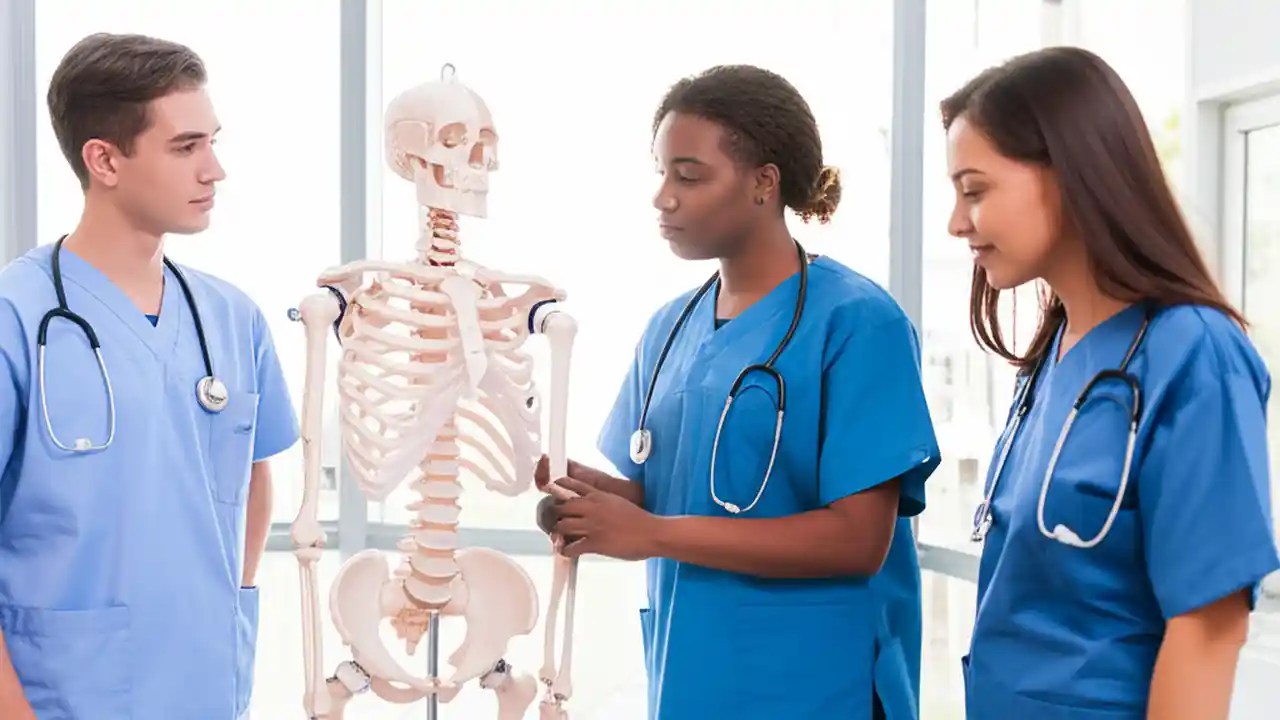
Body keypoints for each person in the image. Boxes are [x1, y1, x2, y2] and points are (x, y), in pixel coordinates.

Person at [535, 64, 941, 719]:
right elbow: (671, 497)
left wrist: (654, 532)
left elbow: (857, 540)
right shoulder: (670, 328)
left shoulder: (858, 322)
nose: (664, 197)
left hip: (816, 687)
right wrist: (593, 502)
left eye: (689, 176)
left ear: (763, 183)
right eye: (662, 173)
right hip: (693, 681)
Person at [943, 46, 1280, 719]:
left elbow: (1208, 627)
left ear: (1070, 174)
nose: (956, 223)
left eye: (975, 191)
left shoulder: (1193, 354)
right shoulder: (1048, 362)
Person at [0, 33, 298, 720]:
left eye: (213, 142)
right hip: (62, 693)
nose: (214, 170)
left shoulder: (232, 317)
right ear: (103, 159)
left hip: (204, 687)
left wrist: (223, 603)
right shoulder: (18, 320)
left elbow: (253, 476)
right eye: (186, 146)